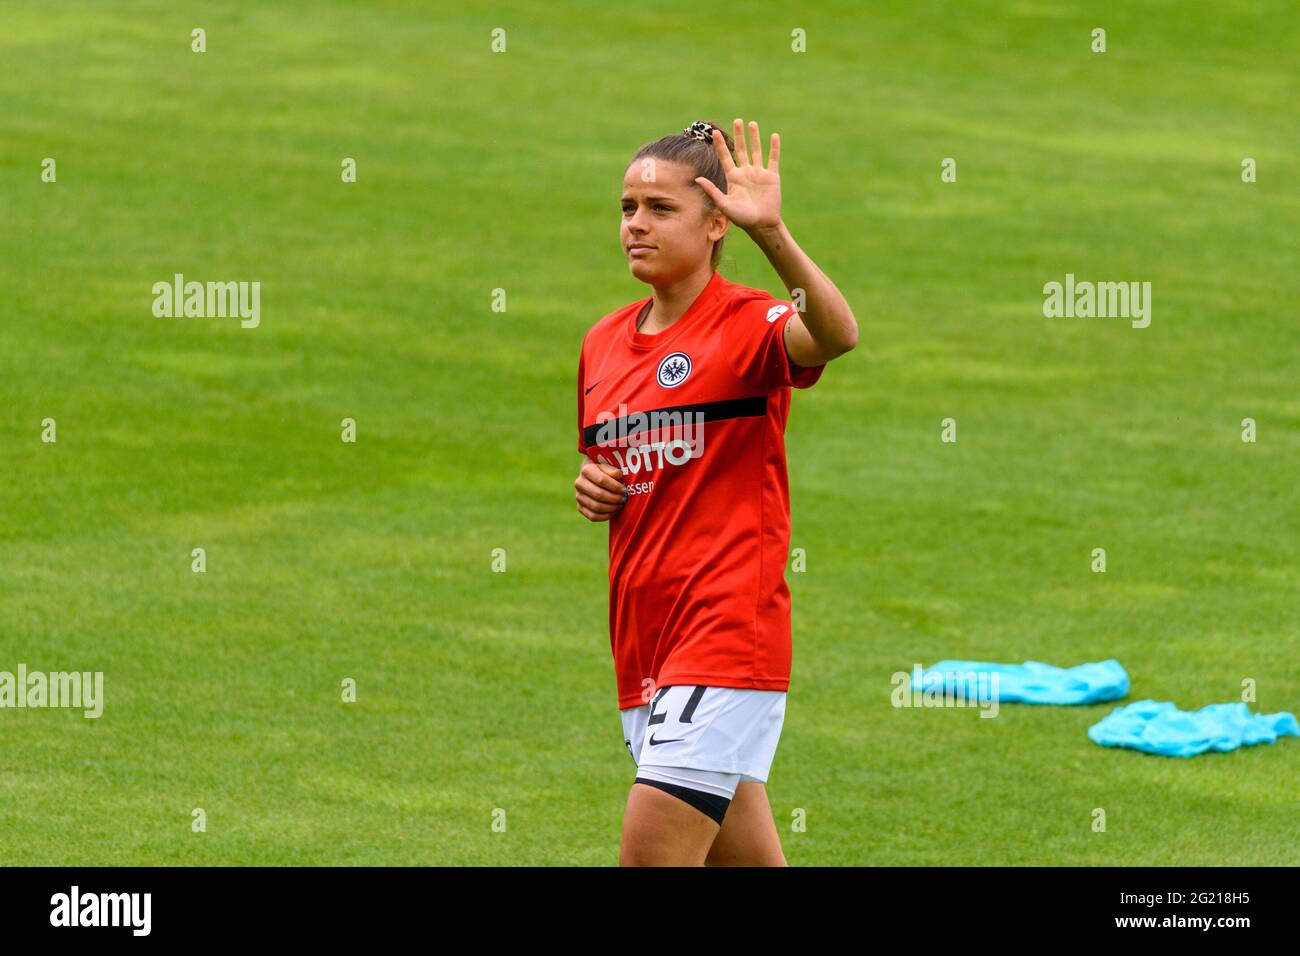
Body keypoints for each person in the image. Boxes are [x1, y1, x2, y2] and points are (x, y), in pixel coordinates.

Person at [574, 118, 857, 866]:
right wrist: (597, 484)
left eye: (661, 209)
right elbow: (623, 466)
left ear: (716, 222)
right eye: (629, 207)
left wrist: (775, 235)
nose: (636, 224)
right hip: (644, 639)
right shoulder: (602, 343)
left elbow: (835, 334)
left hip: (727, 632)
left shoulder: (746, 323)